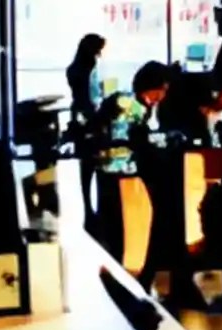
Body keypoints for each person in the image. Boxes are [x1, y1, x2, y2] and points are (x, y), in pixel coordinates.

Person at [93, 61, 171, 271]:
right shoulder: (131, 106)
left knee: (113, 228)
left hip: (107, 173)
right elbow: (128, 141)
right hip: (120, 175)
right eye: (162, 90)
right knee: (120, 228)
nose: (162, 97)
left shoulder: (126, 100)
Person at [66, 33, 106, 222]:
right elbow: (94, 96)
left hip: (79, 117)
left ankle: (87, 207)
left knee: (85, 167)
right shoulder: (90, 70)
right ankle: (94, 210)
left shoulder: (73, 69)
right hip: (91, 118)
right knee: (95, 163)